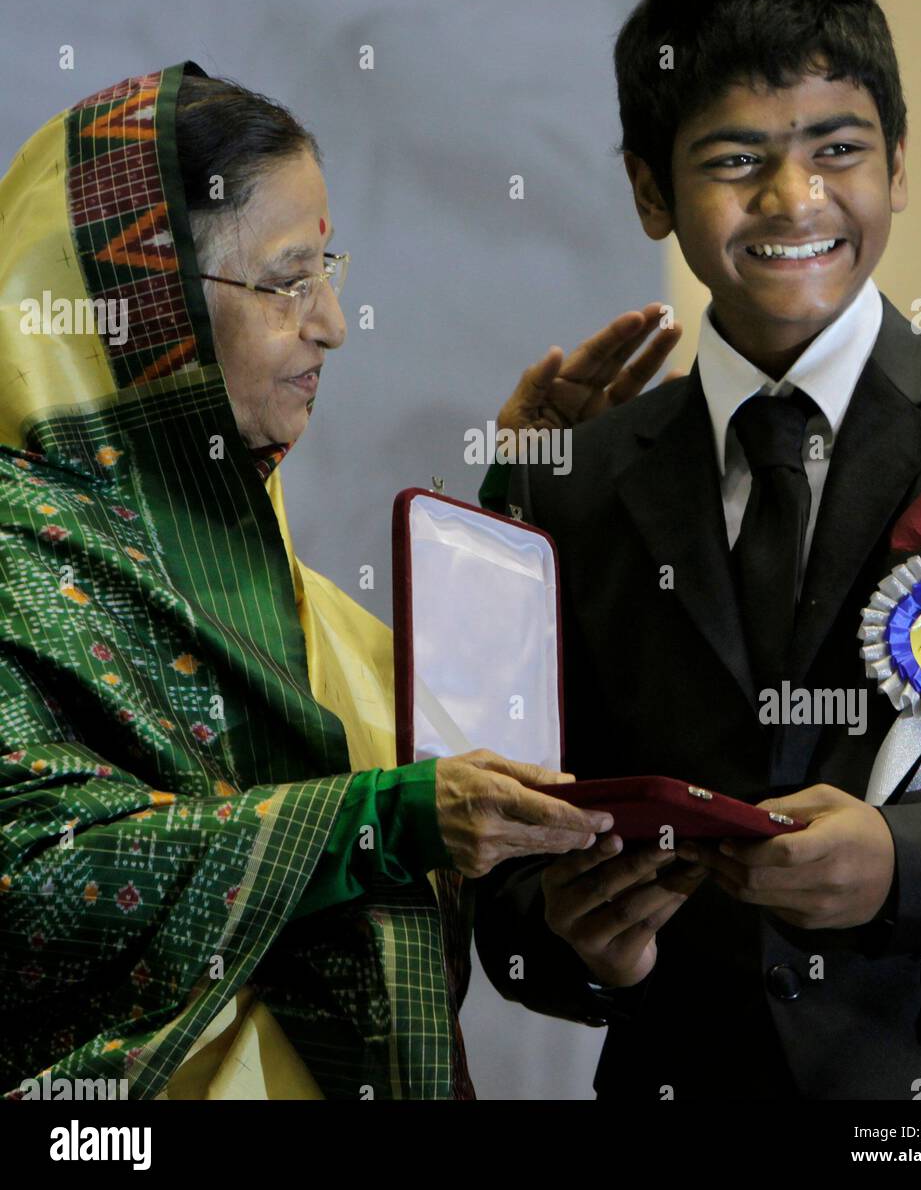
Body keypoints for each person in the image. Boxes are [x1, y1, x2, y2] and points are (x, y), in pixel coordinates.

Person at [0, 62, 677, 1100]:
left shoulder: (282, 595)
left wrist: (514, 513)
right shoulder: (19, 562)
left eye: (330, 270)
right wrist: (383, 821)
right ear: (145, 310)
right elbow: (32, 887)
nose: (331, 323)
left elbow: (436, 787)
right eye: (284, 281)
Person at [475, 0, 921, 1100]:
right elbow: (502, 890)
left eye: (838, 149)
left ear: (896, 162)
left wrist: (905, 861)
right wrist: (581, 945)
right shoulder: (559, 488)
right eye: (735, 159)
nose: (795, 199)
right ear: (647, 189)